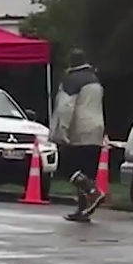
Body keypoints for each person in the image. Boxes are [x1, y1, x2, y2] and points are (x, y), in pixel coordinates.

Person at [49, 49, 107, 223]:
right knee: (86, 171)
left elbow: (65, 108)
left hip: (79, 130)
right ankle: (83, 210)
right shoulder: (95, 80)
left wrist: (61, 132)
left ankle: (93, 192)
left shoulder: (71, 81)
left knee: (68, 168)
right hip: (96, 129)